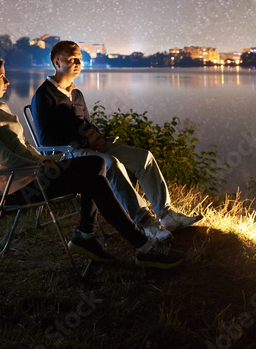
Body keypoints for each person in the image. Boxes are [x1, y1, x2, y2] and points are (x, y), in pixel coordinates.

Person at [0, 55, 183, 269]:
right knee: (93, 177)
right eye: (1, 77)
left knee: (96, 164)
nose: (7, 81)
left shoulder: (0, 108)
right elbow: (5, 159)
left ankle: (89, 236)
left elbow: (25, 146)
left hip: (35, 174)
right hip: (18, 187)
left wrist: (48, 160)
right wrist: (42, 166)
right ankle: (138, 244)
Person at [31, 41, 203, 241]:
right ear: (57, 62)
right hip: (68, 155)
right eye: (72, 59)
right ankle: (145, 222)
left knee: (144, 158)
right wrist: (85, 141)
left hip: (91, 147)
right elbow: (46, 140)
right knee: (111, 164)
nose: (78, 63)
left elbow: (87, 124)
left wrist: (97, 136)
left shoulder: (76, 93)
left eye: (79, 59)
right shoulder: (44, 96)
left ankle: (167, 215)